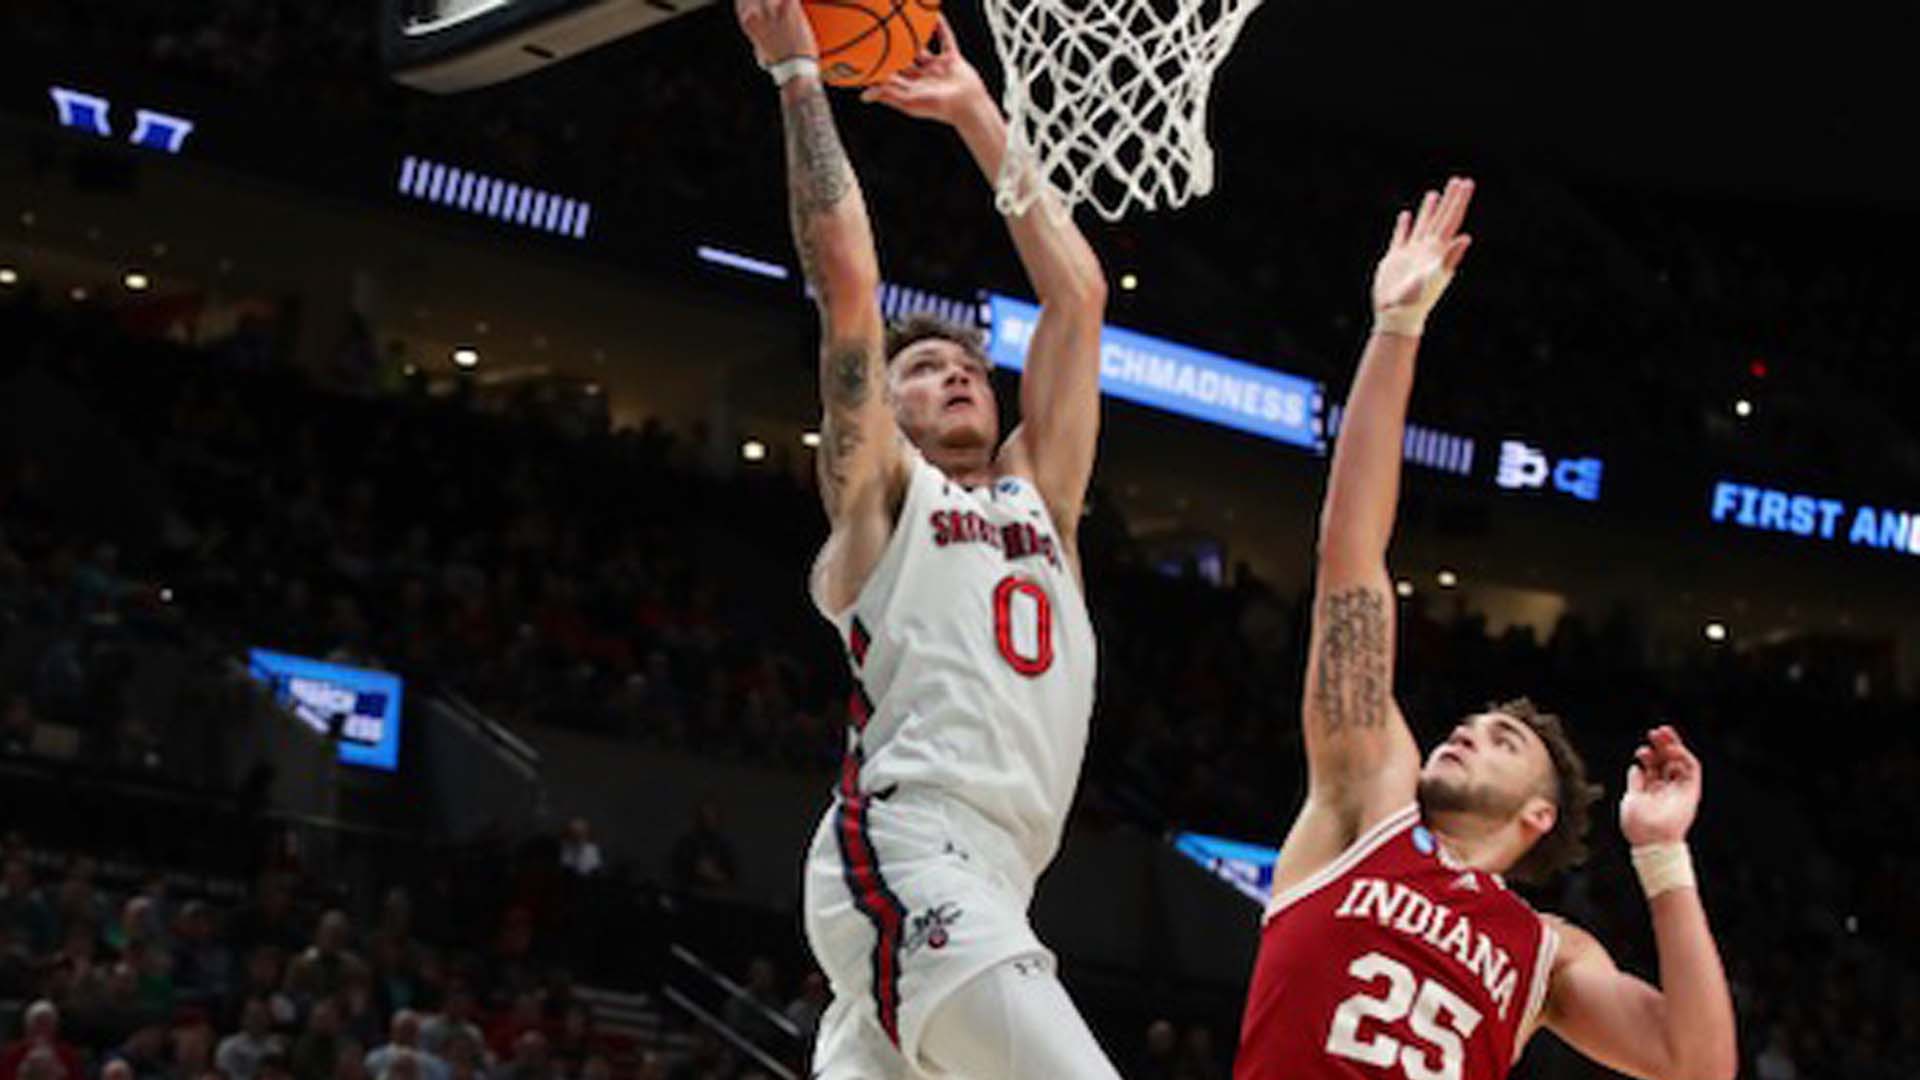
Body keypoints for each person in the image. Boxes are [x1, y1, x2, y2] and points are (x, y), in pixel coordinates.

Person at [1233, 179, 1738, 1080]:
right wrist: (1396, 330)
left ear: (1539, 816)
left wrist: (1663, 854)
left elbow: (1698, 1066)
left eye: (1502, 741)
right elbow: (1352, 553)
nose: (1466, 732)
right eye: (1472, 726)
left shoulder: (1549, 953)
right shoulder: (1365, 805)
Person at [731, 2, 1112, 1076]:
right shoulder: (882, 497)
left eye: (970, 369)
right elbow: (847, 286)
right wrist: (798, 76)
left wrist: (981, 118)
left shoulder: (1043, 499)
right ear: (883, 410)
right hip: (910, 850)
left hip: (1000, 879)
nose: (957, 376)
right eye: (925, 370)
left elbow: (1077, 299)